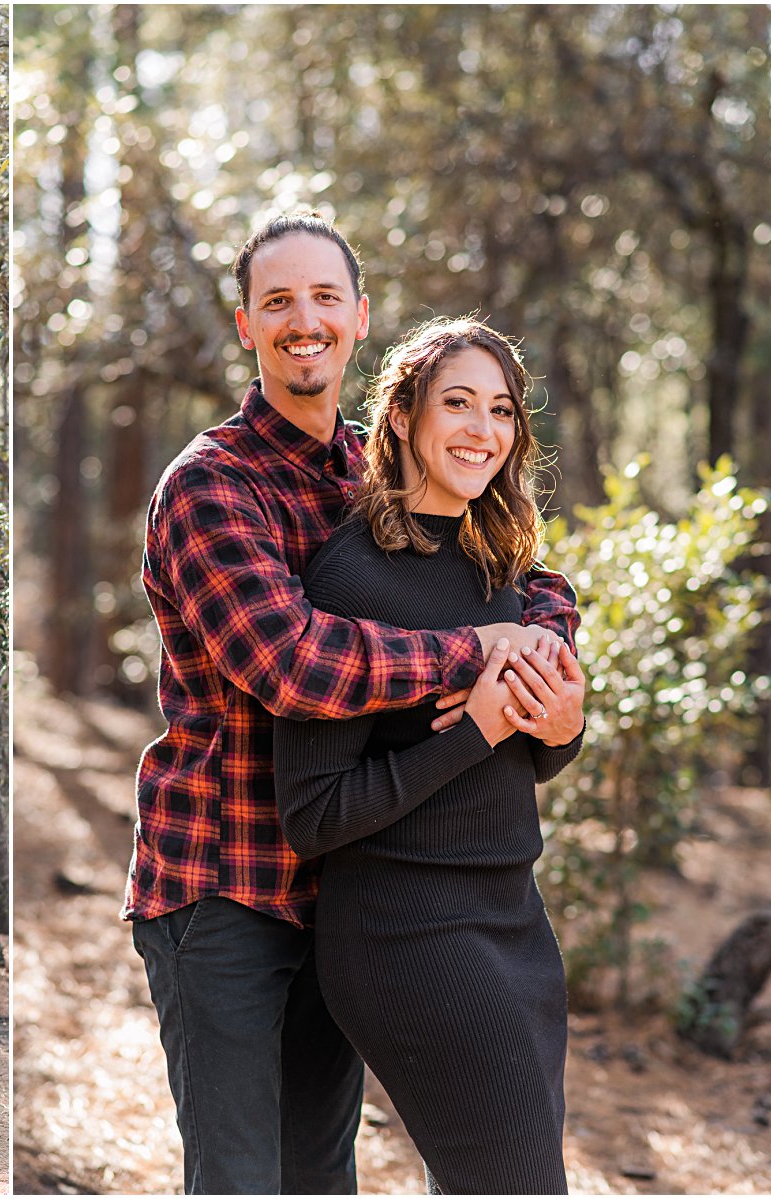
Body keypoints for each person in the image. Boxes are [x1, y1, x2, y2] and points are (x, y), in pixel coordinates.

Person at [126, 211, 583, 1194]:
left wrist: (546, 646)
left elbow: (510, 568)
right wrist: (478, 660)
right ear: (246, 324)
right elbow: (292, 661)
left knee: (316, 1175)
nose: (305, 320)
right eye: (278, 300)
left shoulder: (363, 476)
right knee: (243, 1178)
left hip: (340, 887)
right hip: (225, 882)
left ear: (359, 318)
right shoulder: (210, 485)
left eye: (325, 297)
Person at [271, 317, 585, 1192]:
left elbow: (526, 754)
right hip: (405, 930)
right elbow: (315, 814)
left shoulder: (506, 569)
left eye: (501, 410)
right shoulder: (351, 578)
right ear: (402, 416)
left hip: (515, 918)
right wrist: (476, 729)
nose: (482, 430)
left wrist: (559, 729)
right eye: (457, 403)